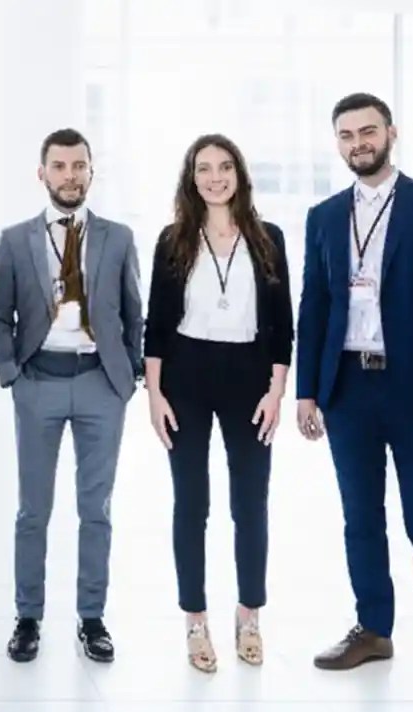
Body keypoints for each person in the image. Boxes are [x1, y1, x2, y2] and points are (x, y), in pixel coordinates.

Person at [296, 92, 413, 712]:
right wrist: (307, 391)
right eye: (346, 135)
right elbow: (314, 308)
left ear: (391, 133)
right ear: (338, 143)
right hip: (348, 390)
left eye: (367, 131)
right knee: (360, 521)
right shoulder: (323, 217)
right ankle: (373, 630)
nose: (358, 143)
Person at [0, 128, 142, 665]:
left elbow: (133, 310)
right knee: (33, 511)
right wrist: (9, 373)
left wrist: (131, 374)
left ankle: (91, 617)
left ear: (91, 172)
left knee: (95, 509)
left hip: (101, 383)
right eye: (59, 166)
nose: (70, 176)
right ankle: (28, 617)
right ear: (42, 173)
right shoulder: (15, 239)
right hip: (38, 383)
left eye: (79, 166)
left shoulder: (118, 237)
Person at [142, 134, 294, 673]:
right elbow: (157, 324)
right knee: (192, 504)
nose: (215, 177)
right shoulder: (173, 240)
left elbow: (282, 327)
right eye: (203, 168)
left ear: (239, 174)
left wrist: (276, 390)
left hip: (250, 378)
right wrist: (154, 393)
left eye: (224, 167)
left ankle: (249, 615)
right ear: (191, 178)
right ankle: (195, 621)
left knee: (250, 504)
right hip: (185, 376)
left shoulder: (267, 237)